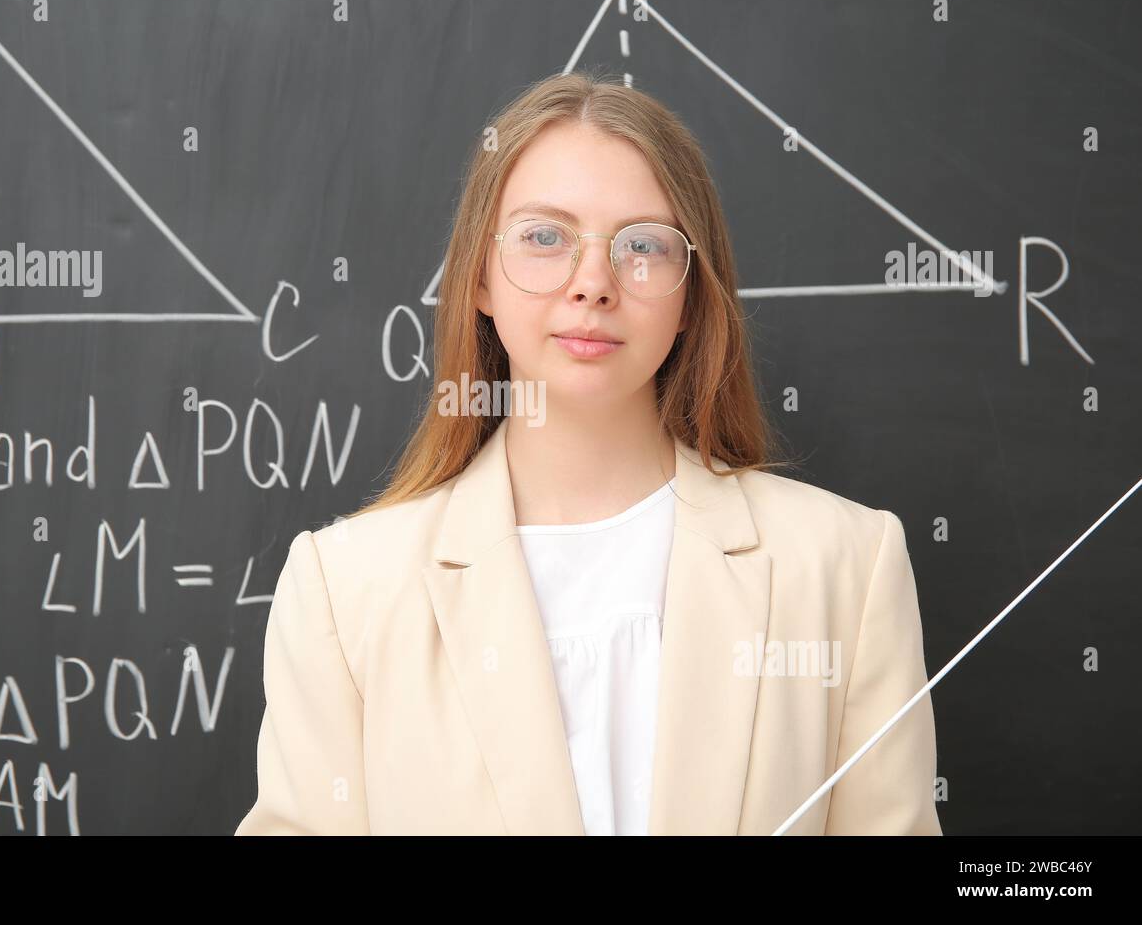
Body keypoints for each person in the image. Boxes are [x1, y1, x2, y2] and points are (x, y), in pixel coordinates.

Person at [235, 71, 942, 836]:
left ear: (691, 295)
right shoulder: (345, 589)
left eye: (643, 245)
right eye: (544, 237)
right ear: (477, 276)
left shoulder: (845, 564)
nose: (594, 284)